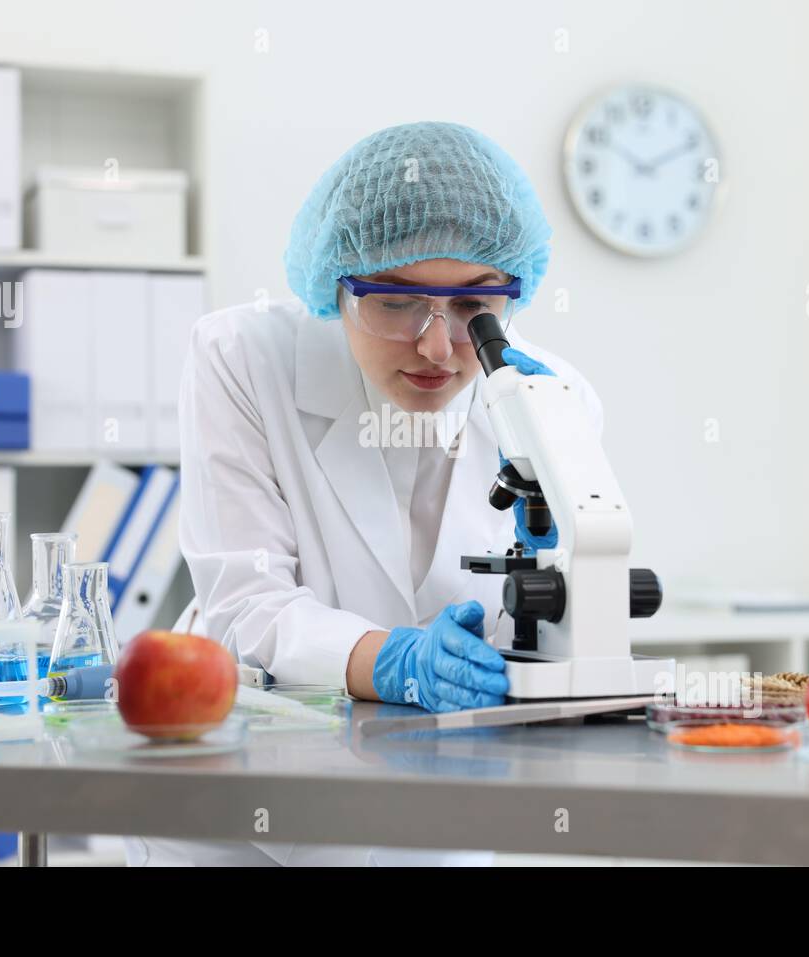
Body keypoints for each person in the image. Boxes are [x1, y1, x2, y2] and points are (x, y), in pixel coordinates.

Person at [126, 121, 602, 866]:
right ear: (338, 283)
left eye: (478, 303)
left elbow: (564, 603)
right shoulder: (242, 360)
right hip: (244, 807)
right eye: (396, 302)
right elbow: (246, 604)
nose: (439, 346)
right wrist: (395, 659)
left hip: (451, 806)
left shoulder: (549, 398)